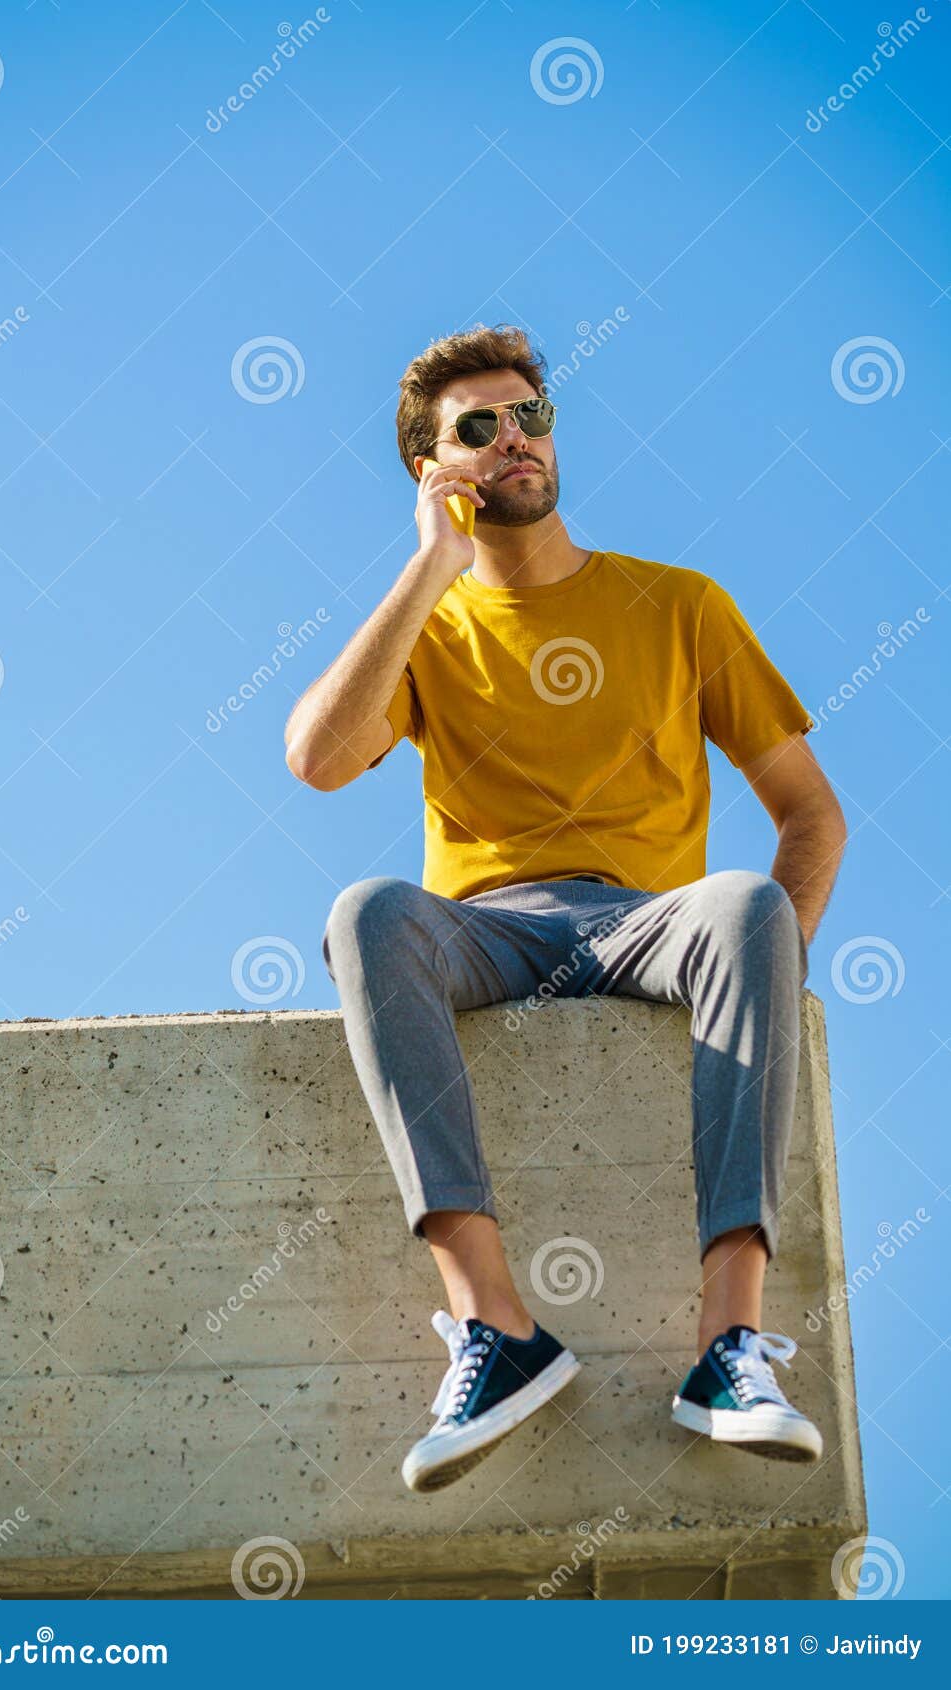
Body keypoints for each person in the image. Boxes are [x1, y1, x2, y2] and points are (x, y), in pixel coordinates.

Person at [284, 324, 846, 1493]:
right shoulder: (428, 628)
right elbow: (317, 759)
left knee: (748, 898)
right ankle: (496, 1331)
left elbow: (809, 815)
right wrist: (428, 569)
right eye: (476, 430)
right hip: (486, 926)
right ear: (431, 470)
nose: (514, 441)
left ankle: (726, 1345)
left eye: (529, 414)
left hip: (651, 919)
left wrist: (757, 974)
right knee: (365, 909)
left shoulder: (678, 604)